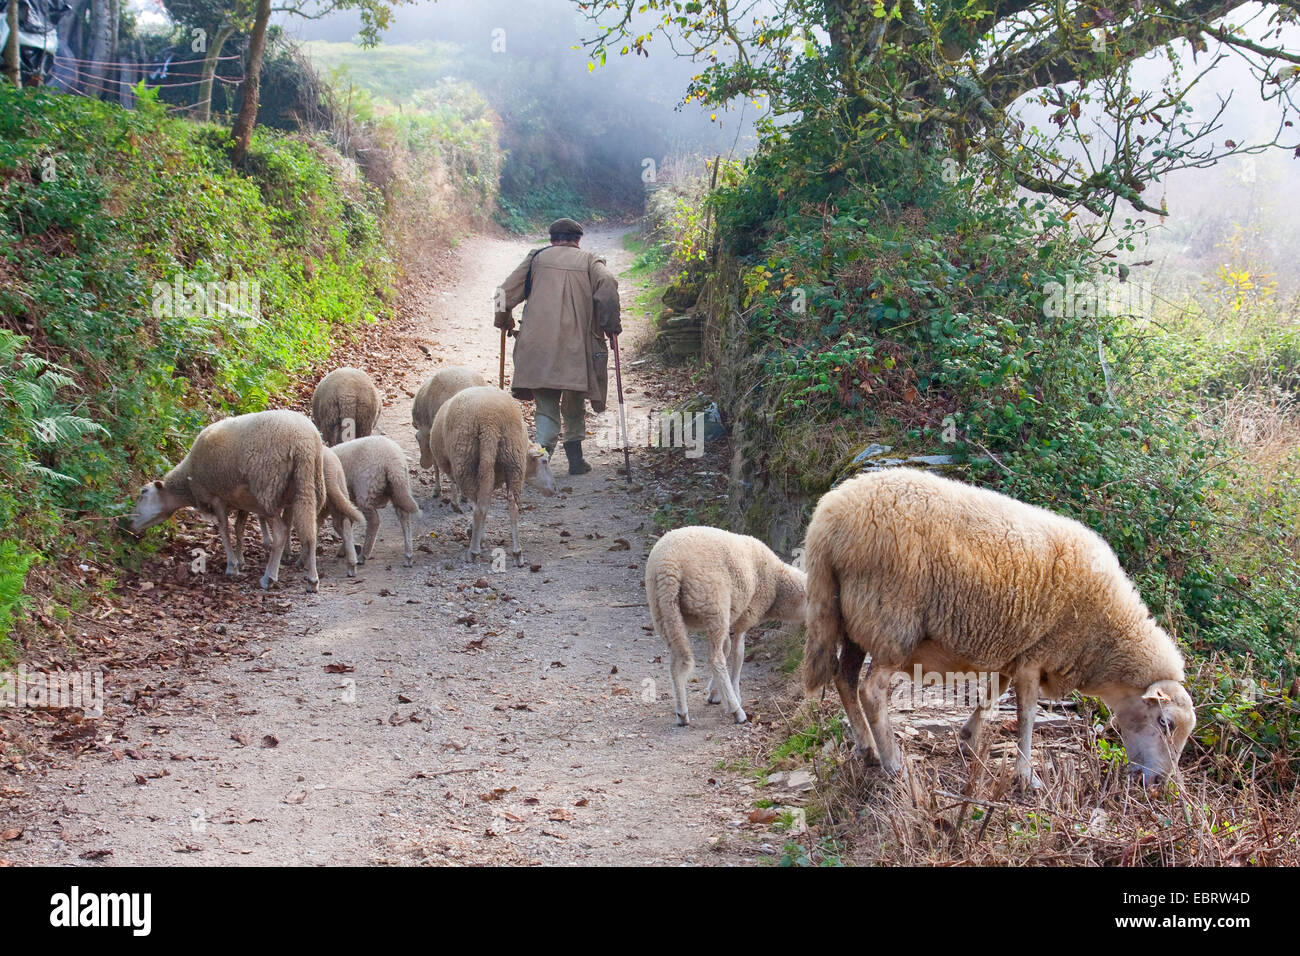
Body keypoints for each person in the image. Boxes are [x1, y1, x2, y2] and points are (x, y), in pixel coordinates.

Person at [494, 218, 622, 475]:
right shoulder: (590, 260)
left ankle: (540, 459)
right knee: (575, 402)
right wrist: (610, 325)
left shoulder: (536, 258)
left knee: (546, 409)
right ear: (577, 240)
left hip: (538, 348)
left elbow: (502, 293)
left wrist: (503, 321)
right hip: (578, 349)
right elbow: (607, 285)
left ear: (552, 239)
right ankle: (575, 460)